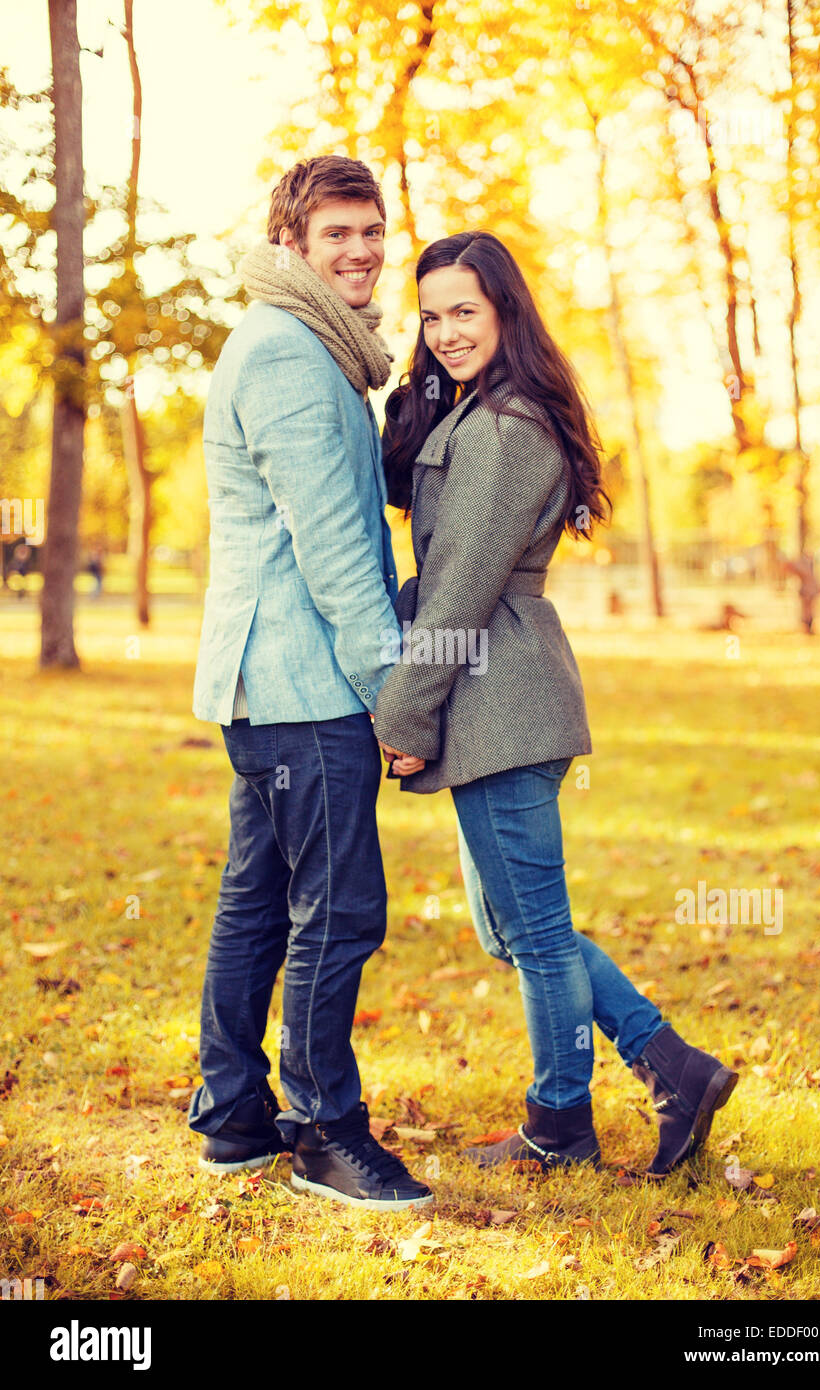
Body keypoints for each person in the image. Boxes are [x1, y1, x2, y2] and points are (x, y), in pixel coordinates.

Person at [374, 231, 738, 1175]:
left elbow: (458, 587)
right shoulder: (472, 411)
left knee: (533, 935)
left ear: (503, 312)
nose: (447, 332)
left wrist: (403, 715)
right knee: (514, 930)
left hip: (501, 701)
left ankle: (561, 1123)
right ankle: (672, 1066)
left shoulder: (505, 428)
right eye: (433, 315)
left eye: (466, 312)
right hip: (494, 702)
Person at [189, 155, 432, 1210]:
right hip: (304, 685)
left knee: (257, 903)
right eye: (336, 233)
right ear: (290, 242)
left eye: (372, 231)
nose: (361, 250)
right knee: (339, 908)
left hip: (269, 684)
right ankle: (326, 1132)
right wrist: (392, 692)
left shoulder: (309, 347)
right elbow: (334, 548)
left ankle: (234, 1115)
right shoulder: (290, 354)